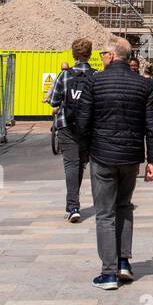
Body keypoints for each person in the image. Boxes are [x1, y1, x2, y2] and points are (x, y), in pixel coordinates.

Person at [68, 36, 153, 290]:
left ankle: (108, 273)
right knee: (124, 207)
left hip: (102, 155)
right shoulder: (144, 85)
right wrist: (152, 159)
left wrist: (85, 153)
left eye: (102, 54)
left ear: (110, 56)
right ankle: (123, 262)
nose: (101, 58)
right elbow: (152, 126)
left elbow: (83, 123)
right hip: (131, 158)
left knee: (105, 213)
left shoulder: (94, 82)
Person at [48, 37, 93, 223]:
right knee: (81, 163)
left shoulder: (64, 75)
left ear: (73, 54)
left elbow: (54, 101)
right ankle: (73, 203)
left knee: (71, 164)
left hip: (66, 124)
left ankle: (73, 206)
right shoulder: (95, 75)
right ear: (90, 54)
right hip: (86, 126)